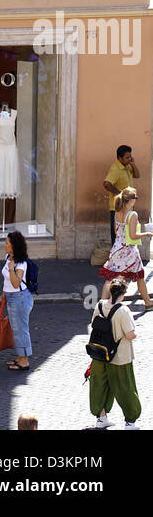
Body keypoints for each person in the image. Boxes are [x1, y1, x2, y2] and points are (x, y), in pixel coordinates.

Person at [89, 278, 142, 430]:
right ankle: (130, 422)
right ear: (123, 294)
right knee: (125, 387)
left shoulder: (99, 305)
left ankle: (101, 418)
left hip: (99, 354)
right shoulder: (123, 310)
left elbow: (94, 324)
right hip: (119, 357)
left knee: (99, 386)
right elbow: (130, 334)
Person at [99, 188, 153, 308]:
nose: (136, 200)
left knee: (111, 278)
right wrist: (147, 234)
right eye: (135, 198)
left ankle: (102, 303)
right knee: (138, 277)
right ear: (131, 200)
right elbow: (133, 235)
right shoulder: (132, 215)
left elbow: (115, 231)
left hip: (117, 249)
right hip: (129, 251)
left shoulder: (117, 213)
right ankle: (147, 302)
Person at [2, 230, 34, 370]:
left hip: (19, 299)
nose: (5, 245)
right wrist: (4, 293)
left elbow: (16, 283)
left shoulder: (21, 264)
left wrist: (11, 269)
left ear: (14, 245)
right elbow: (7, 281)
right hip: (11, 297)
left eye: (7, 242)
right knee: (17, 329)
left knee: (21, 329)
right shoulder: (8, 257)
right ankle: (20, 357)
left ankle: (24, 361)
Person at [103, 147, 140, 244]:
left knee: (127, 235)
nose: (130, 159)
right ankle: (116, 257)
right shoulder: (115, 169)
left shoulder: (127, 166)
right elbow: (107, 184)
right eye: (127, 157)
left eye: (130, 157)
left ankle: (125, 257)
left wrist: (132, 163)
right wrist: (121, 195)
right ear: (120, 158)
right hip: (118, 207)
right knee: (117, 237)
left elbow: (137, 175)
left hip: (127, 207)